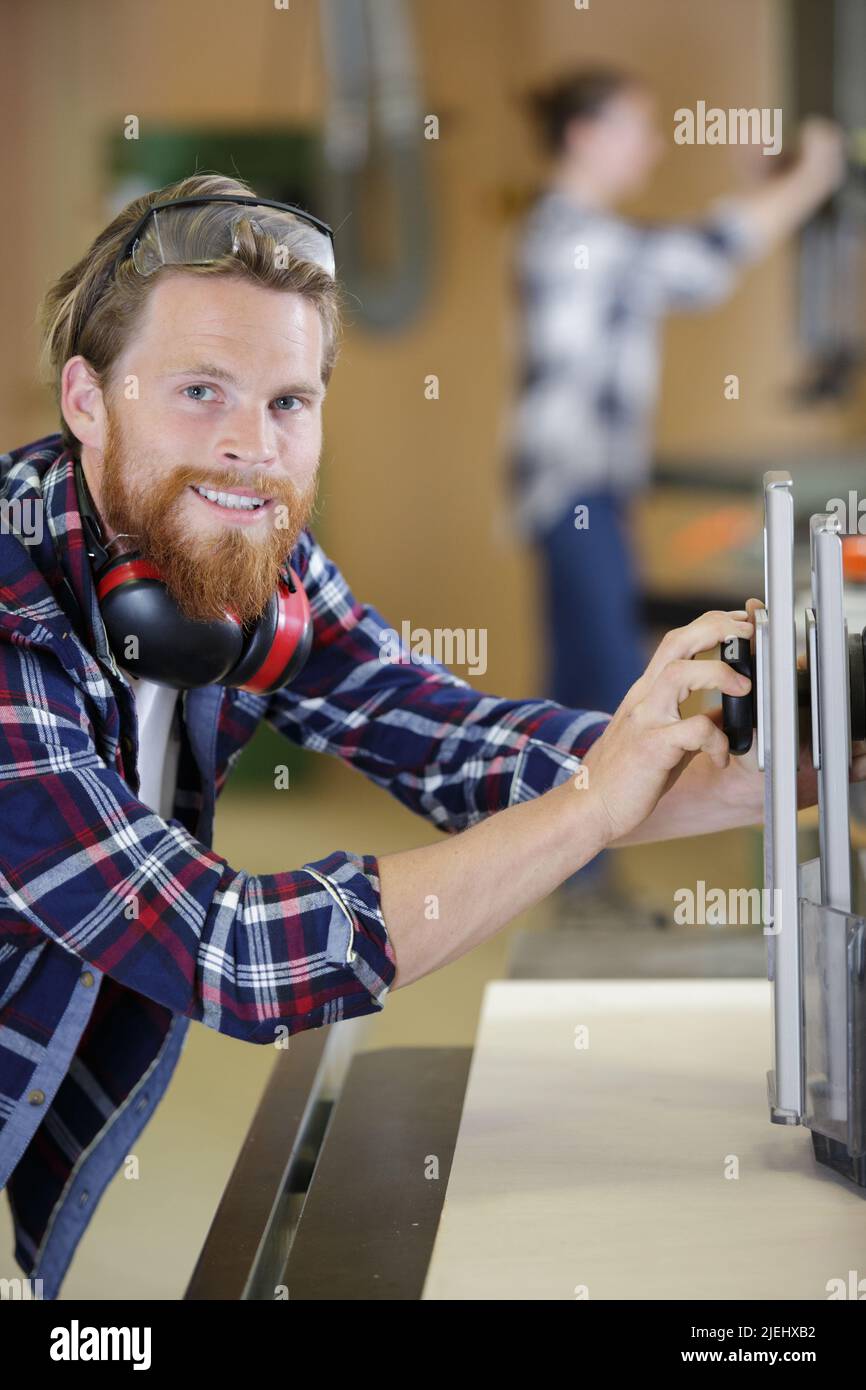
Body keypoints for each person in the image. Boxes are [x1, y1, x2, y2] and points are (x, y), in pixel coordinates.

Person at [0, 172, 851, 1300]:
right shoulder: (14, 620)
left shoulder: (249, 559)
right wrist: (590, 803)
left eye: (289, 402)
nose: (251, 447)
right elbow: (233, 952)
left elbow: (459, 746)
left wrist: (804, 764)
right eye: (200, 390)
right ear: (88, 399)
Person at [506, 66, 847, 906]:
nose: (654, 146)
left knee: (588, 677)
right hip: (573, 493)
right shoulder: (570, 236)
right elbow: (701, 261)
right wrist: (810, 178)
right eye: (638, 126)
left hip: (581, 494)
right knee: (603, 684)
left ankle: (580, 876)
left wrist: (773, 185)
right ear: (586, 135)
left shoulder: (581, 233)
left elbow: (690, 254)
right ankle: (580, 884)